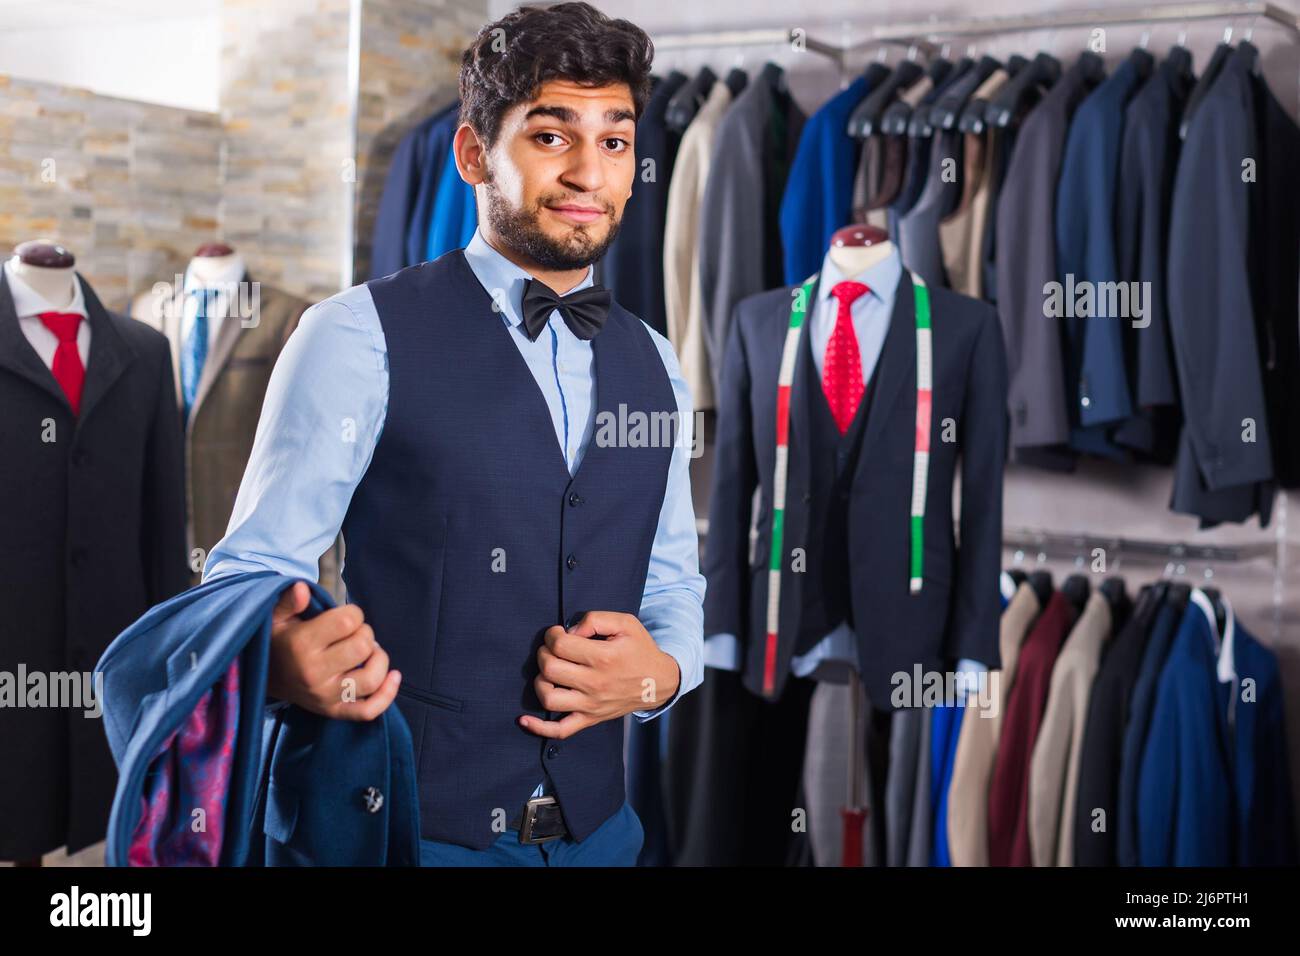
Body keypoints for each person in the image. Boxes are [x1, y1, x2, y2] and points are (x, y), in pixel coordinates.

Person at [204, 1, 704, 866]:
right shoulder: (354, 334)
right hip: (400, 828)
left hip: (602, 834)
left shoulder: (658, 364)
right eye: (553, 136)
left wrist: (659, 677)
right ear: (474, 152)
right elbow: (250, 574)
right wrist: (281, 660)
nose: (590, 171)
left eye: (615, 140)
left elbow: (674, 584)